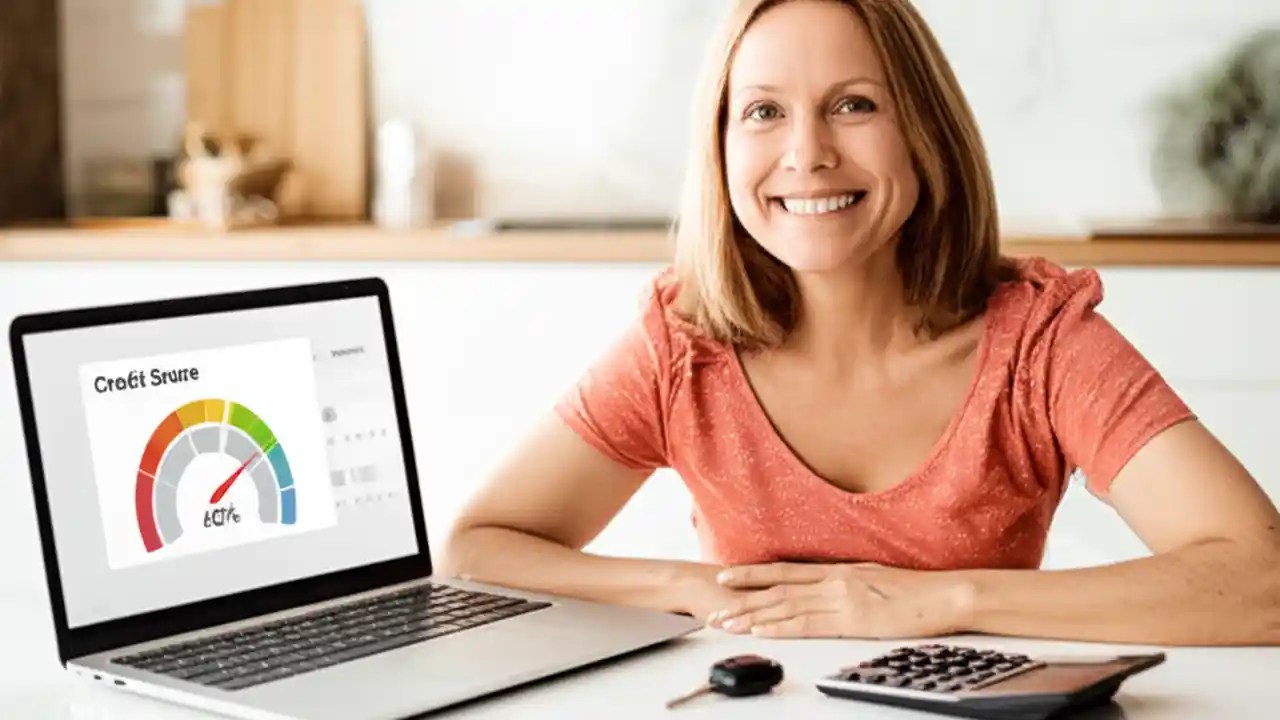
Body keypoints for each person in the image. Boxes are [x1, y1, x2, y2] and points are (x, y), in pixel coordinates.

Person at [441, 0, 1280, 645]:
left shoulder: (1040, 342)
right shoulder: (682, 346)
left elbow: (1262, 578)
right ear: (721, 146)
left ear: (924, 133)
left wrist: (935, 601)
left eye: (852, 105)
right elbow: (480, 548)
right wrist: (697, 587)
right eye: (763, 112)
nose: (806, 153)